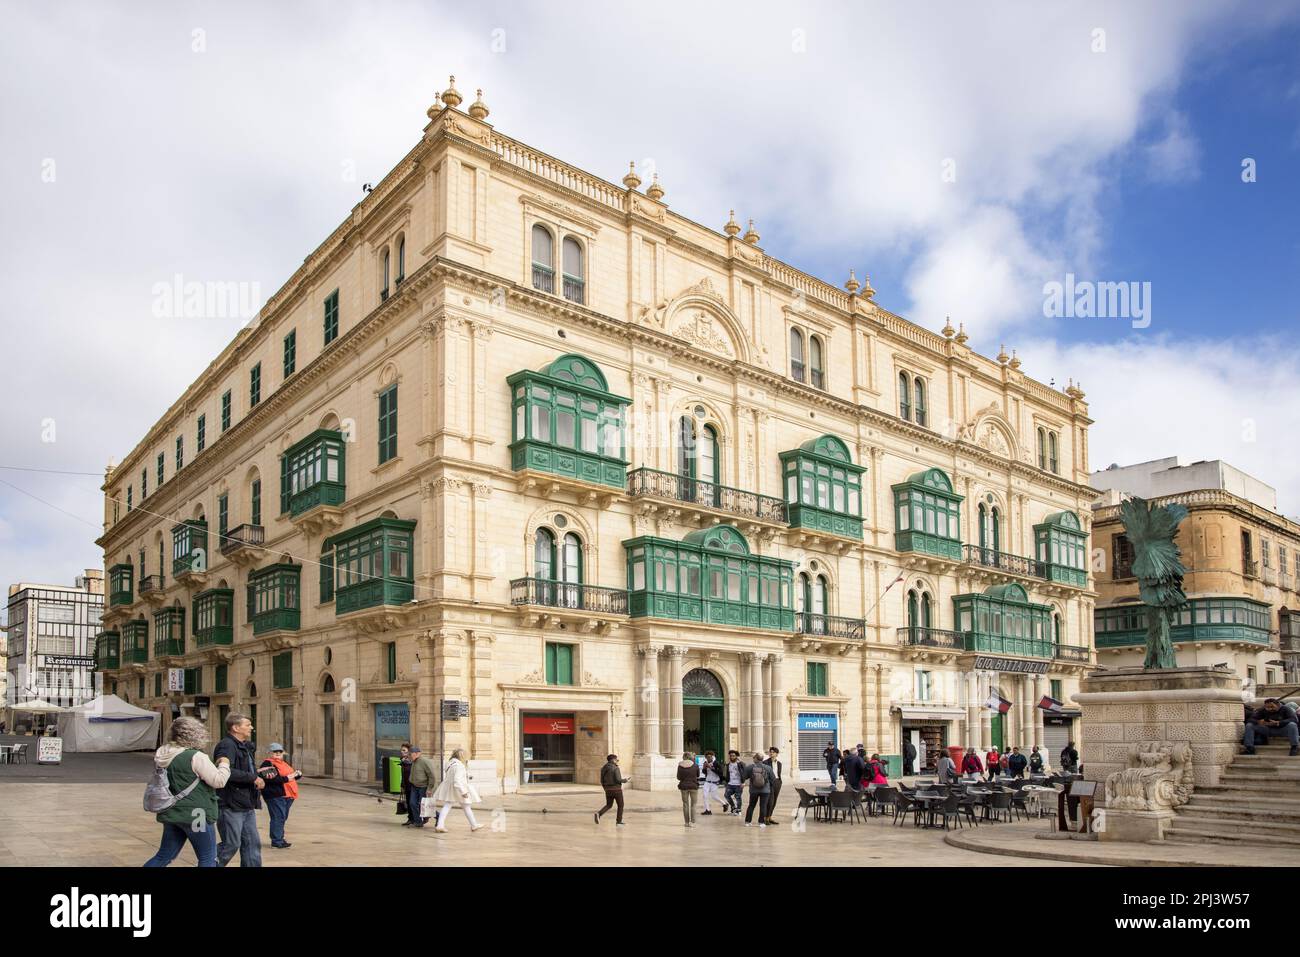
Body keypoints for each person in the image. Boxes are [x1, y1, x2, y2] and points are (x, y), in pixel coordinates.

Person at [144, 716, 231, 867]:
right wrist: (224, 764)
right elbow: (218, 781)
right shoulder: (196, 756)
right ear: (195, 734)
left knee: (163, 856)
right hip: (197, 814)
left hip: (172, 812)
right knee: (207, 858)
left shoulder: (162, 754)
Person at [213, 712, 265, 867]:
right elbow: (225, 771)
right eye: (247, 725)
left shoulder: (243, 746)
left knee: (252, 845)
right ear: (236, 728)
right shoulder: (226, 745)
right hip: (231, 805)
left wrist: (258, 776)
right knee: (230, 844)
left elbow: (245, 769)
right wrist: (253, 778)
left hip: (246, 803)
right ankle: (208, 863)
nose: (252, 728)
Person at [257, 743, 302, 849]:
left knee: (282, 817)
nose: (277, 753)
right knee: (278, 817)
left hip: (288, 794)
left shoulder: (283, 763)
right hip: (276, 795)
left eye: (280, 752)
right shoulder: (267, 764)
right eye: (275, 752)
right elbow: (272, 779)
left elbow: (290, 776)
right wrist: (289, 777)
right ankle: (277, 841)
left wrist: (297, 775)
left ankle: (279, 838)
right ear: (270, 753)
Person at [432, 748, 484, 832]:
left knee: (449, 805)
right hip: (458, 789)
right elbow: (457, 780)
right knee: (465, 806)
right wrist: (463, 792)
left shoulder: (449, 763)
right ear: (461, 756)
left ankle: (440, 825)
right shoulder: (460, 766)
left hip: (451, 787)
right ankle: (473, 825)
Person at [596, 753, 628, 825]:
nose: (617, 761)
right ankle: (619, 821)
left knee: (609, 805)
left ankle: (599, 814)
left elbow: (602, 780)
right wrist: (625, 780)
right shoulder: (615, 768)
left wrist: (606, 788)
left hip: (608, 790)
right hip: (616, 790)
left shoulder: (603, 768)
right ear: (613, 760)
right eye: (617, 760)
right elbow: (618, 779)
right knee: (621, 805)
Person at [742, 752, 773, 827]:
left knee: (751, 805)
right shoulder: (768, 768)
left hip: (753, 790)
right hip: (765, 790)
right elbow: (773, 779)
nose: (753, 759)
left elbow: (744, 777)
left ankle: (748, 821)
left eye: (754, 758)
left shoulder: (749, 767)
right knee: (763, 806)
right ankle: (761, 822)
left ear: (755, 759)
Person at [407, 745, 435, 827]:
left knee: (425, 806)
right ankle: (418, 821)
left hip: (423, 787)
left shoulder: (424, 761)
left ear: (417, 753)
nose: (409, 756)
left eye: (410, 754)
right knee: (412, 803)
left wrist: (429, 789)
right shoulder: (414, 761)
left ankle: (439, 816)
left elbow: (432, 776)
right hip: (414, 786)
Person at [677, 751, 700, 827]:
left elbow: (678, 777)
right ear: (691, 757)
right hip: (693, 786)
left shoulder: (680, 766)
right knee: (693, 804)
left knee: (685, 804)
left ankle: (686, 822)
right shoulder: (695, 766)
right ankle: (693, 822)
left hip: (683, 787)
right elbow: (698, 775)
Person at [699, 751, 726, 815]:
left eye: (710, 757)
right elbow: (704, 772)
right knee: (705, 796)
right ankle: (707, 810)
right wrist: (704, 768)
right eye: (707, 757)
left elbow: (720, 772)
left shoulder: (716, 763)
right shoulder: (705, 763)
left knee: (714, 796)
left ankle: (724, 804)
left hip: (714, 782)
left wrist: (711, 767)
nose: (708, 758)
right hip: (707, 781)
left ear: (712, 756)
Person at [763, 747, 784, 824]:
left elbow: (778, 773)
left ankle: (770, 817)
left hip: (777, 782)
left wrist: (780, 782)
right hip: (769, 783)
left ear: (776, 754)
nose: (771, 753)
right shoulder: (765, 763)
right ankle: (765, 818)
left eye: (773, 752)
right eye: (770, 752)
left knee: (774, 801)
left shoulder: (779, 764)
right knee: (770, 801)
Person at [724, 750, 746, 814]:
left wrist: (743, 782)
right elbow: (727, 774)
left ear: (736, 756)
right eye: (731, 756)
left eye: (733, 756)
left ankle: (739, 810)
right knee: (726, 795)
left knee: (738, 797)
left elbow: (745, 770)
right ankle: (733, 807)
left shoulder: (740, 764)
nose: (732, 757)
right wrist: (726, 782)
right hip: (730, 783)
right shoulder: (728, 765)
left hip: (739, 784)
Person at [398, 743, 413, 817]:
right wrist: (402, 784)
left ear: (409, 751)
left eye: (404, 750)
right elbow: (403, 774)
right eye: (401, 750)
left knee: (414, 803)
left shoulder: (412, 761)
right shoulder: (403, 760)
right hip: (406, 785)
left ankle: (435, 815)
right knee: (408, 802)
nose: (402, 751)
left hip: (413, 785)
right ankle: (410, 818)